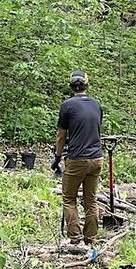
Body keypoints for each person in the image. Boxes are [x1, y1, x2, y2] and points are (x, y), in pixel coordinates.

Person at [53, 70, 104, 246]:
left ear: (71, 87)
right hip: (97, 158)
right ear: (87, 86)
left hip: (76, 159)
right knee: (91, 200)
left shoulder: (67, 106)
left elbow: (61, 136)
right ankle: (91, 238)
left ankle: (75, 238)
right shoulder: (96, 105)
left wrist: (57, 157)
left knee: (69, 198)